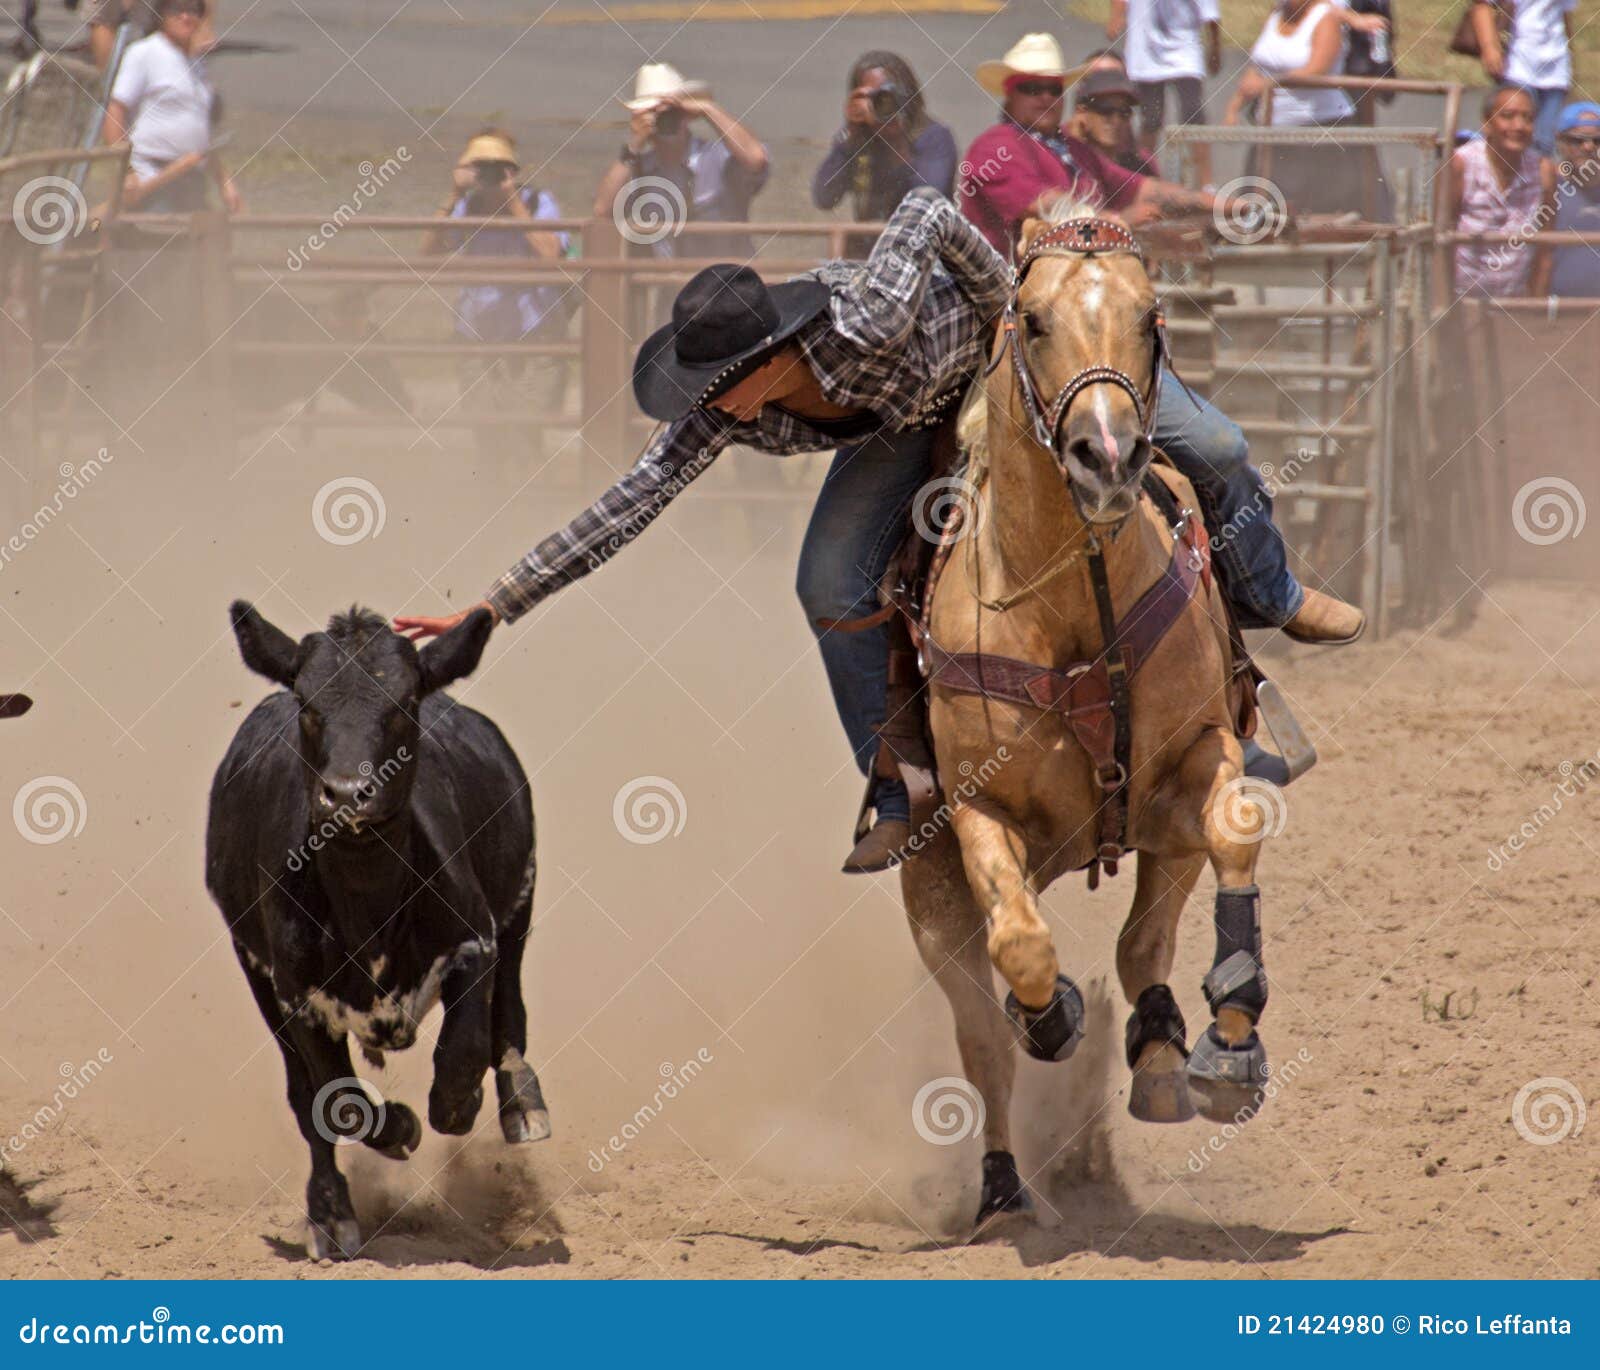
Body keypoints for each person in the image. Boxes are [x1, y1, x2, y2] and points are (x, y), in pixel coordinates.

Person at [397, 184, 1365, 873]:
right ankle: (898, 772)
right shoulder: (727, 412)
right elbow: (623, 506)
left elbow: (926, 208)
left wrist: (1008, 315)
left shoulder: (868, 316)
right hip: (908, 425)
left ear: (770, 357)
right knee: (826, 581)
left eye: (720, 384)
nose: (708, 406)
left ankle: (1269, 599)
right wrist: (495, 603)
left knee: (1218, 445)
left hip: (1018, 361)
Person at [961, 33, 1243, 252]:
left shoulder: (1071, 149)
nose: (1046, 98)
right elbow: (1047, 208)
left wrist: (1225, 205)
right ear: (1010, 96)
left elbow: (1144, 190)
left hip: (1074, 283)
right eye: (1032, 88)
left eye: (1054, 89)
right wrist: (1117, 222)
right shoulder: (995, 147)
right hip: (1011, 295)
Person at [421, 131, 572, 445]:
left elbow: (550, 255)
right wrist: (452, 195)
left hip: (534, 331)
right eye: (482, 167)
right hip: (478, 332)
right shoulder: (465, 206)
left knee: (526, 433)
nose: (490, 175)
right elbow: (427, 253)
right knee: (486, 435)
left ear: (512, 172)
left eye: (498, 167)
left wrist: (513, 203)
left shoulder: (537, 201)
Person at [594, 62, 769, 263]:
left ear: (687, 114)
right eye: (654, 113)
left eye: (672, 112)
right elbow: (602, 211)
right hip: (672, 288)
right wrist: (633, 144)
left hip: (728, 283)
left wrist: (708, 110)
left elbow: (756, 159)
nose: (665, 120)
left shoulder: (718, 158)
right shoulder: (638, 170)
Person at [1223, 0, 1370, 216]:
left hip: (1318, 132)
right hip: (1272, 130)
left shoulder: (1325, 16)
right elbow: (1258, 67)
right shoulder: (1276, 15)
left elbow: (1317, 69)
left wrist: (1268, 84)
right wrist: (1232, 110)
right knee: (1259, 209)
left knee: (1312, 215)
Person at [812, 50, 958, 258]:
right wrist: (850, 136)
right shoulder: (856, 139)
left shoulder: (933, 138)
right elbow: (824, 198)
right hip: (869, 256)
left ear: (906, 95)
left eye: (886, 95)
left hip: (923, 256)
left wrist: (896, 140)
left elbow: (925, 201)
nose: (881, 103)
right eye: (869, 96)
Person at [101, 0, 239, 213]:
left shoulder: (197, 66)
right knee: (155, 242)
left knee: (198, 242)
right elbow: (114, 114)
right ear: (162, 14)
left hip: (193, 179)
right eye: (178, 9)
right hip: (151, 178)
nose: (185, 16)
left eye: (193, 10)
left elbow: (202, 135)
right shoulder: (144, 53)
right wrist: (126, 172)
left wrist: (224, 182)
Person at [1449, 86, 1556, 297]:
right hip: (1462, 299)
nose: (1519, 126)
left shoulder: (1542, 170)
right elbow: (1442, 237)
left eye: (1528, 118)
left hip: (1515, 298)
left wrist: (1535, 308)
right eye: (1508, 116)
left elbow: (1546, 246)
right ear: (1487, 123)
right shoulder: (1461, 164)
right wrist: (1444, 306)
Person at [1108, 0, 1220, 185]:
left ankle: (1206, 184)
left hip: (1185, 50)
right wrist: (1117, 15)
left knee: (1194, 114)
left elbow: (1210, 11)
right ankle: (1142, 179)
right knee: (1151, 118)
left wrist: (1215, 48)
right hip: (1145, 48)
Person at [1471, 0, 1576, 155]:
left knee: (1544, 145)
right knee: (1508, 137)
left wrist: (1570, 62)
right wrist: (1490, 48)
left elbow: (1565, 14)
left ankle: (1533, 179)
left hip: (1556, 71)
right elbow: (1481, 6)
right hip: (1518, 67)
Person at [1068, 66, 1160, 178]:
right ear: (1082, 112)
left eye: (1124, 112)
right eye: (1105, 110)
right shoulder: (1064, 163)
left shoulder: (1141, 168)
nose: (1116, 120)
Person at [1549, 101, 1600, 297]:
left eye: (1598, 141)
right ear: (1560, 141)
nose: (1588, 147)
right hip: (1554, 307)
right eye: (1577, 140)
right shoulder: (1543, 188)